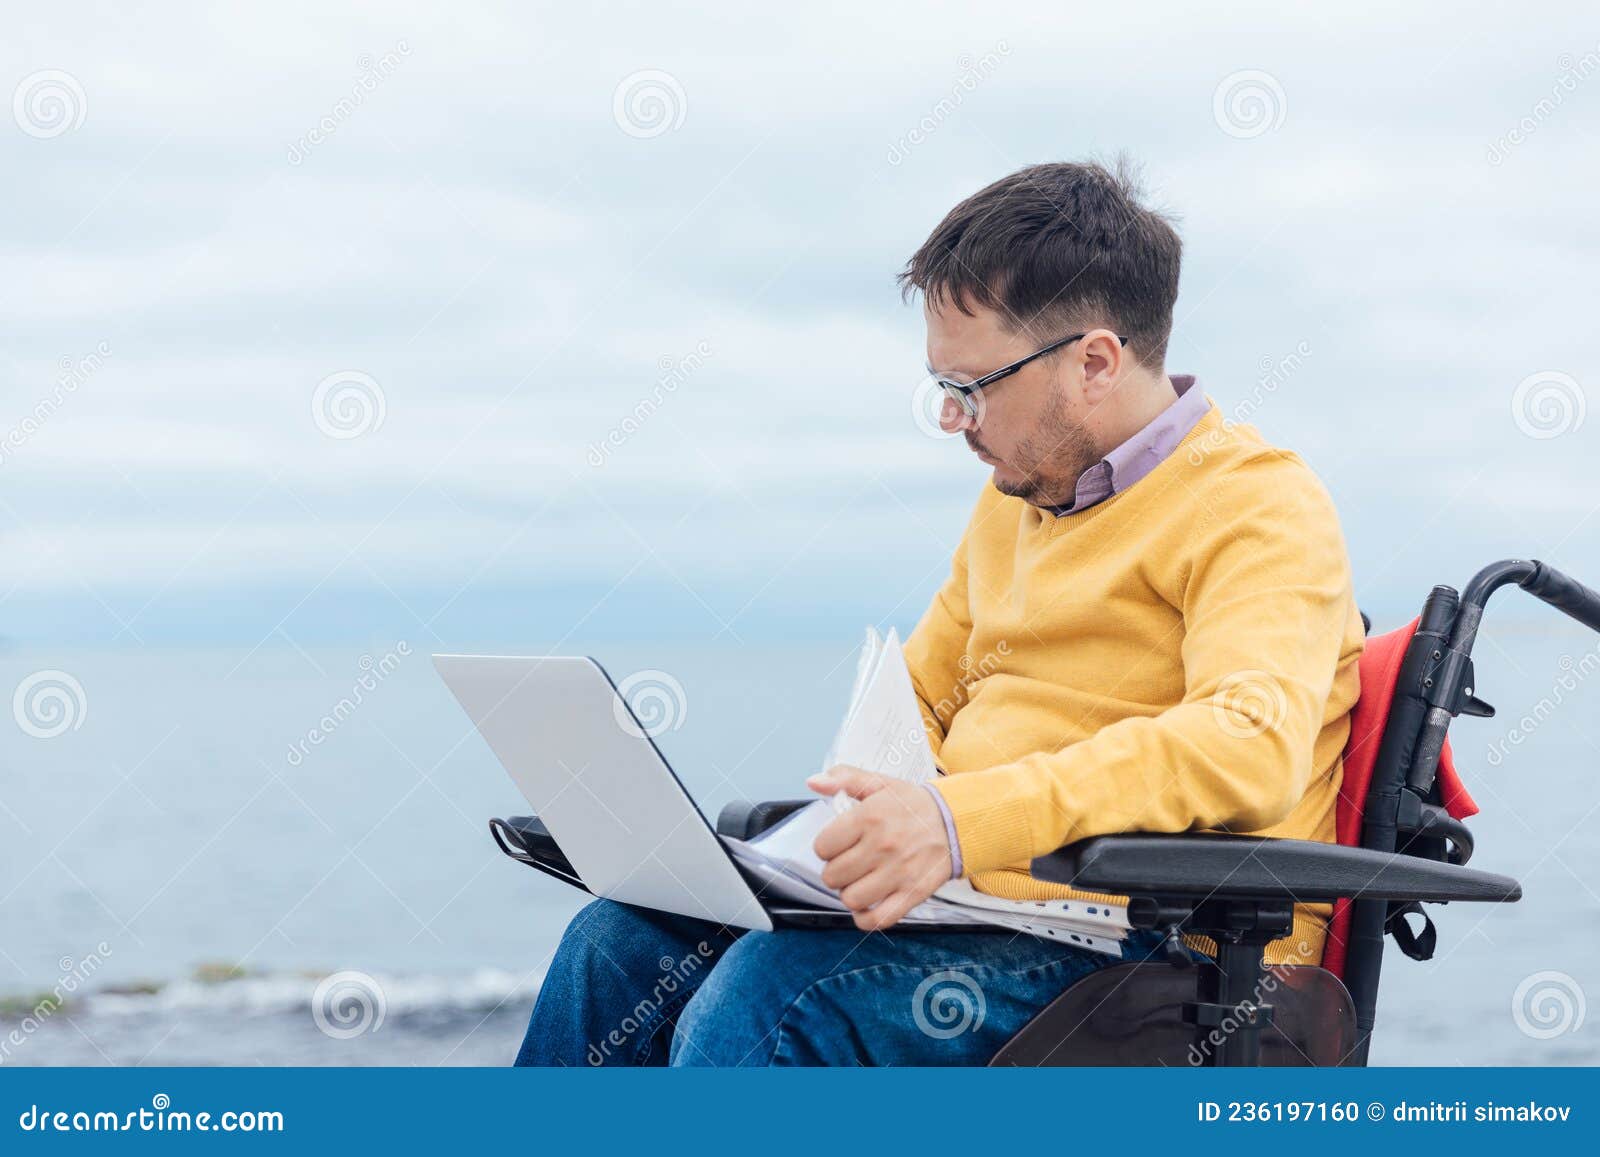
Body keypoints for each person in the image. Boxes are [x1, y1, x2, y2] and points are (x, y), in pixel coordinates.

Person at [516, 159, 1363, 1067]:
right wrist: (831, 843)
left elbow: (1247, 745)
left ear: (1094, 362)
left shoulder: (1258, 503)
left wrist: (959, 821)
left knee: (776, 995)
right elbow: (919, 698)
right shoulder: (1016, 502)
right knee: (615, 944)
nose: (955, 419)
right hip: (977, 910)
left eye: (974, 388)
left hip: (1164, 955)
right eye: (943, 388)